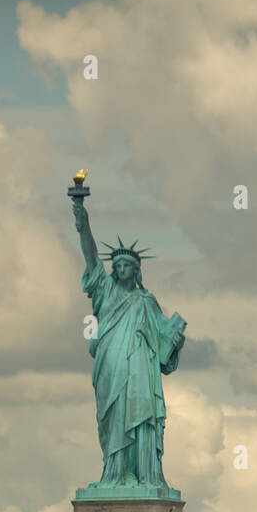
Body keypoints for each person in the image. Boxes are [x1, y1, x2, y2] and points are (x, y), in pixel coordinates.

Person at [72, 198, 187, 490]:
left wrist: (175, 338)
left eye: (127, 266)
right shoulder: (105, 291)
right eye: (118, 265)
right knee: (113, 418)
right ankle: (114, 474)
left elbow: (163, 344)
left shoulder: (147, 301)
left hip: (140, 370)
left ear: (136, 271)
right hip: (111, 366)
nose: (121, 269)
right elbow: (90, 256)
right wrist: (82, 221)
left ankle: (143, 475)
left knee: (140, 417)